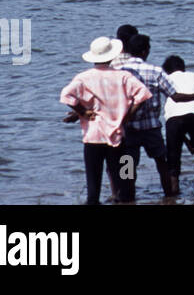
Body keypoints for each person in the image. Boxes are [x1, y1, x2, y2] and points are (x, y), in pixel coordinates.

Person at [118, 33, 194, 200]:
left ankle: (127, 195)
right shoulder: (156, 71)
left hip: (128, 126)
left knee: (127, 162)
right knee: (162, 162)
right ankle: (169, 195)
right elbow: (176, 97)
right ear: (145, 51)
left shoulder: (120, 72)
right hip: (151, 127)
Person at [59, 36, 152, 205]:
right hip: (117, 134)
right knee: (123, 178)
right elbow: (143, 95)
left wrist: (82, 112)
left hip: (93, 136)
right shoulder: (123, 76)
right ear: (112, 56)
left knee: (93, 184)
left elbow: (66, 95)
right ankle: (124, 199)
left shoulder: (83, 78)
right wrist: (127, 116)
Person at [161, 54, 194, 193]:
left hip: (174, 118)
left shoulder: (166, 79)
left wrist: (185, 140)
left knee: (173, 158)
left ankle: (174, 192)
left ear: (167, 70)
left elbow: (174, 113)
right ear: (183, 67)